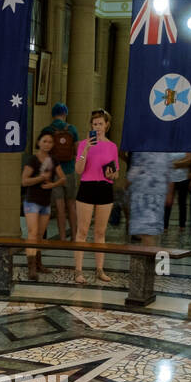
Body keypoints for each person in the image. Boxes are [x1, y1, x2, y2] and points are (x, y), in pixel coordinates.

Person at [72, 108, 119, 284]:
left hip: (105, 188)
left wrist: (111, 174)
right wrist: (86, 149)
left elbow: (116, 174)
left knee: (100, 232)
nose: (97, 127)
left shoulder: (112, 146)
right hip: (87, 187)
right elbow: (78, 170)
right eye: (94, 124)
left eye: (100, 123)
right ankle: (78, 271)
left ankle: (100, 269)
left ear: (107, 125)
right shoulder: (84, 144)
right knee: (82, 231)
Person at [21, 132, 64, 280]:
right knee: (32, 234)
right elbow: (24, 181)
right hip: (32, 201)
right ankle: (31, 268)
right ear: (38, 142)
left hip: (45, 202)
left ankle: (38, 264)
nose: (47, 144)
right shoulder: (32, 160)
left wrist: (52, 183)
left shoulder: (53, 160)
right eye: (44, 141)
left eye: (50, 142)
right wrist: (41, 178)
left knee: (40, 235)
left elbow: (63, 178)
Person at [39, 103, 79, 241]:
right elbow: (77, 150)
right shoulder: (72, 129)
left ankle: (62, 238)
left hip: (54, 173)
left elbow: (43, 151)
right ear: (65, 114)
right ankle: (74, 237)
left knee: (60, 207)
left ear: (53, 114)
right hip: (69, 170)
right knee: (72, 205)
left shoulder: (47, 130)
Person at [125, 151, 169, 246]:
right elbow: (168, 171)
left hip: (144, 195)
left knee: (146, 232)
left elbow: (135, 169)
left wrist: (126, 184)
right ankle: (150, 255)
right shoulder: (163, 151)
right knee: (151, 231)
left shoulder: (142, 150)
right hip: (157, 195)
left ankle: (148, 257)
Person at [165, 151, 191, 230]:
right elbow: (165, 162)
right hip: (170, 179)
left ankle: (182, 225)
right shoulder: (169, 146)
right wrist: (181, 163)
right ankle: (165, 225)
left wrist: (174, 164)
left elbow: (189, 161)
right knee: (168, 203)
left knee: (182, 203)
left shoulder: (186, 147)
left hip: (183, 178)